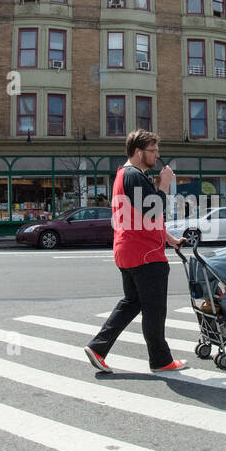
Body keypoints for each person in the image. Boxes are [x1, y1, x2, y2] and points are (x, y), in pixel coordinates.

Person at [84, 130, 186, 374]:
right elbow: (153, 211)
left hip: (127, 251)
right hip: (145, 255)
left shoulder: (123, 175)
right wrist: (164, 184)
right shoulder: (134, 175)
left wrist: (169, 239)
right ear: (139, 152)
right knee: (154, 309)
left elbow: (142, 217)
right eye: (154, 151)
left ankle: (98, 347)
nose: (158, 156)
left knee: (132, 302)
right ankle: (161, 361)